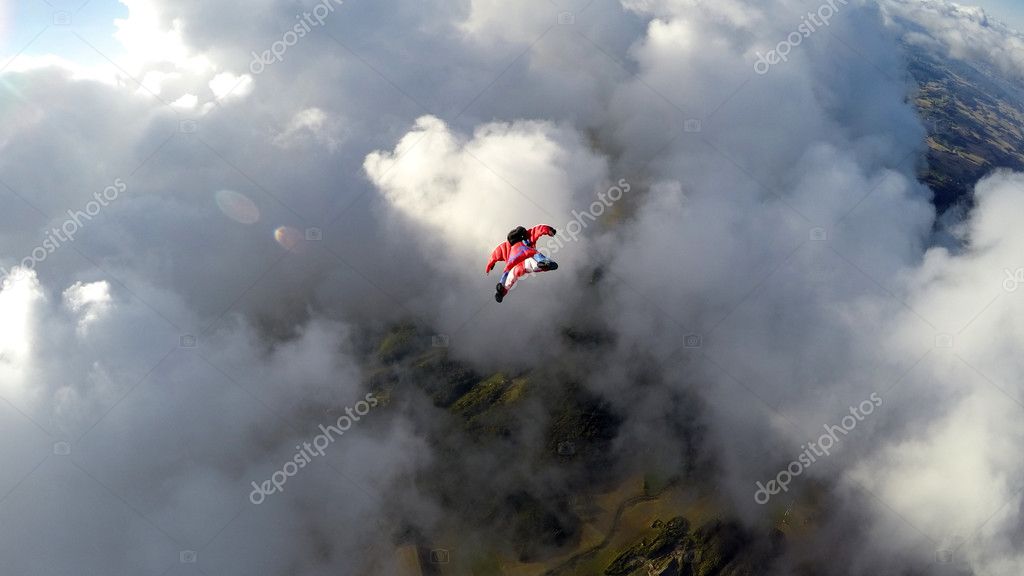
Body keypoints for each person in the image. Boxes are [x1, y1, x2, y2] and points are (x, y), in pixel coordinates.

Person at [485, 225, 558, 302]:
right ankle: (545, 263)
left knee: (510, 276)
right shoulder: (527, 238)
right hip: (528, 258)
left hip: (516, 266)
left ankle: (501, 290)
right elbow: (538, 230)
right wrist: (549, 230)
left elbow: (496, 254)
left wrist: (491, 264)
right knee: (535, 259)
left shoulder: (506, 247)